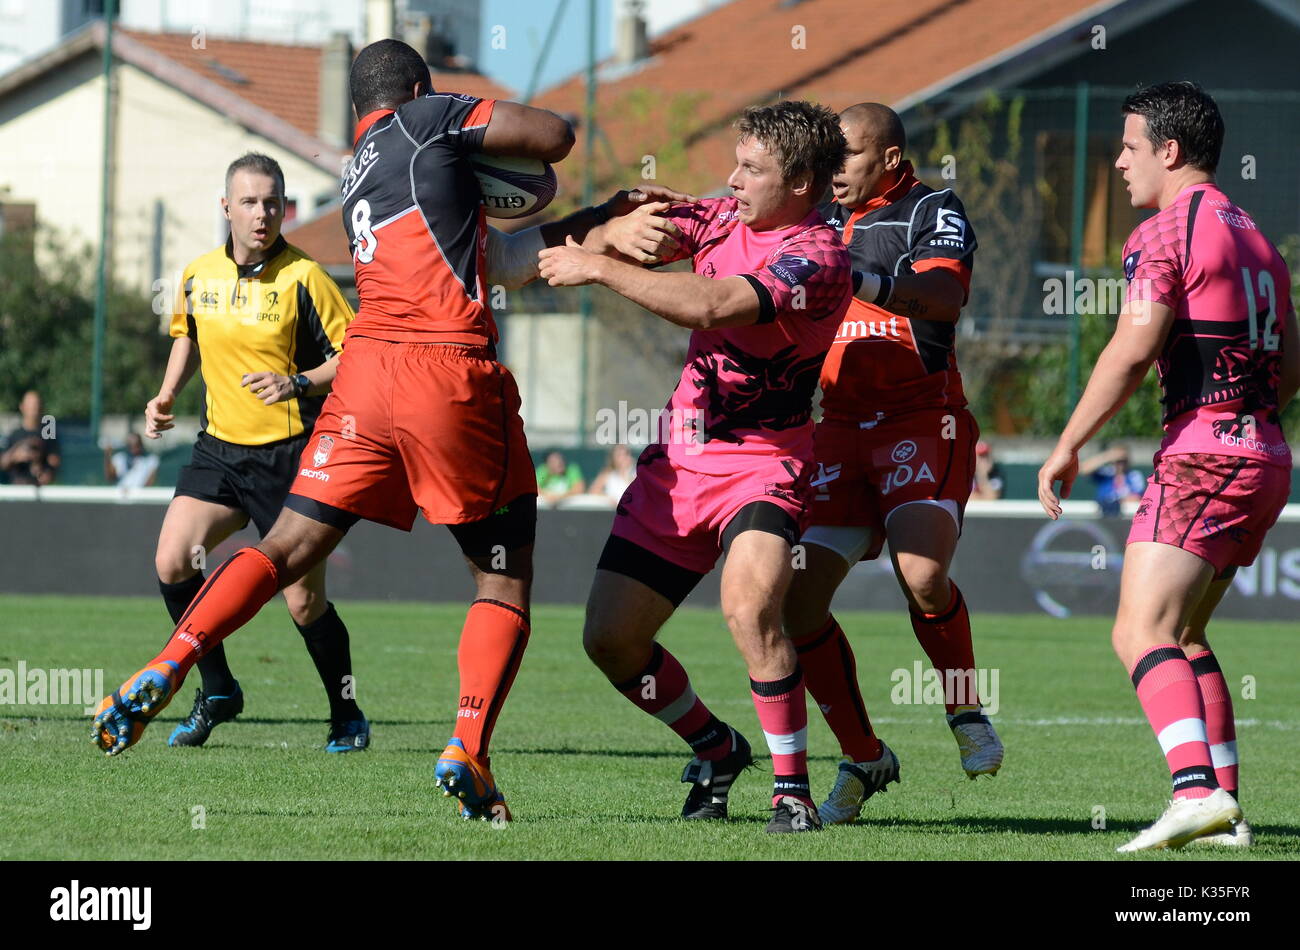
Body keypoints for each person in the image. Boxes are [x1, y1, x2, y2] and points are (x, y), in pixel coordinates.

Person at [91, 38, 684, 822]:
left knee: (281, 551)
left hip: (367, 377)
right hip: (445, 372)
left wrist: (596, 222)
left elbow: (500, 263)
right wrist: (482, 138)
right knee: (500, 579)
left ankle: (170, 662)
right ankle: (467, 746)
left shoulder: (364, 166)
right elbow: (554, 137)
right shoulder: (427, 119)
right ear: (417, 87)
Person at [540, 100, 853, 833]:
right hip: (680, 460)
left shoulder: (820, 257)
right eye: (735, 163)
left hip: (766, 464)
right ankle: (716, 747)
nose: (732, 180)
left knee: (750, 607)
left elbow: (713, 304)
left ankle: (792, 794)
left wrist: (597, 266)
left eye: (752, 169)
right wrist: (614, 231)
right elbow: (642, 238)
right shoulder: (718, 217)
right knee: (609, 641)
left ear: (802, 181)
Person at [1038, 81, 1298, 851]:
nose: (1119, 163)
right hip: (1266, 456)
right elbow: (1299, 358)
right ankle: (1225, 814)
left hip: (1202, 455)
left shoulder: (1165, 231)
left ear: (1169, 151)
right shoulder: (1256, 236)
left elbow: (1130, 348)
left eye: (1128, 147)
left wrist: (1067, 444)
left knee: (1138, 629)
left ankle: (1191, 793)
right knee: (1183, 634)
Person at [779, 102, 1001, 825]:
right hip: (837, 430)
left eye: (848, 156)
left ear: (892, 160)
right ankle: (865, 754)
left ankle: (964, 706)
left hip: (920, 418)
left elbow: (944, 294)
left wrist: (865, 283)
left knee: (924, 574)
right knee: (797, 600)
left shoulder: (931, 207)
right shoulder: (809, 215)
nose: (833, 171)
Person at [135, 152, 367, 752]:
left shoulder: (305, 277)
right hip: (218, 453)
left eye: (273, 202)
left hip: (290, 457)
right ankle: (217, 689)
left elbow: (357, 356)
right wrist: (164, 396)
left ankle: (346, 714)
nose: (262, 213)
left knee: (303, 600)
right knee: (172, 563)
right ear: (226, 207)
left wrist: (296, 382)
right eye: (249, 202)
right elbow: (188, 337)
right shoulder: (198, 275)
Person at [0, 390, 60, 485]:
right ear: (22, 407)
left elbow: (54, 460)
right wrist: (16, 455)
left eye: (36, 405)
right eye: (31, 405)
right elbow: (3, 463)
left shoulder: (48, 433)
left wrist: (45, 470)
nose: (34, 408)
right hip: (18, 490)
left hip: (41, 490)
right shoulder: (14, 434)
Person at [1080, 444, 1145, 516]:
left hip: (1125, 515)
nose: (1120, 464)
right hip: (1102, 513)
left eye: (1123, 461)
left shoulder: (1134, 476)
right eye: (1118, 461)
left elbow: (1137, 497)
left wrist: (1115, 501)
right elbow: (1084, 469)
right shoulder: (1106, 473)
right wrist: (1108, 456)